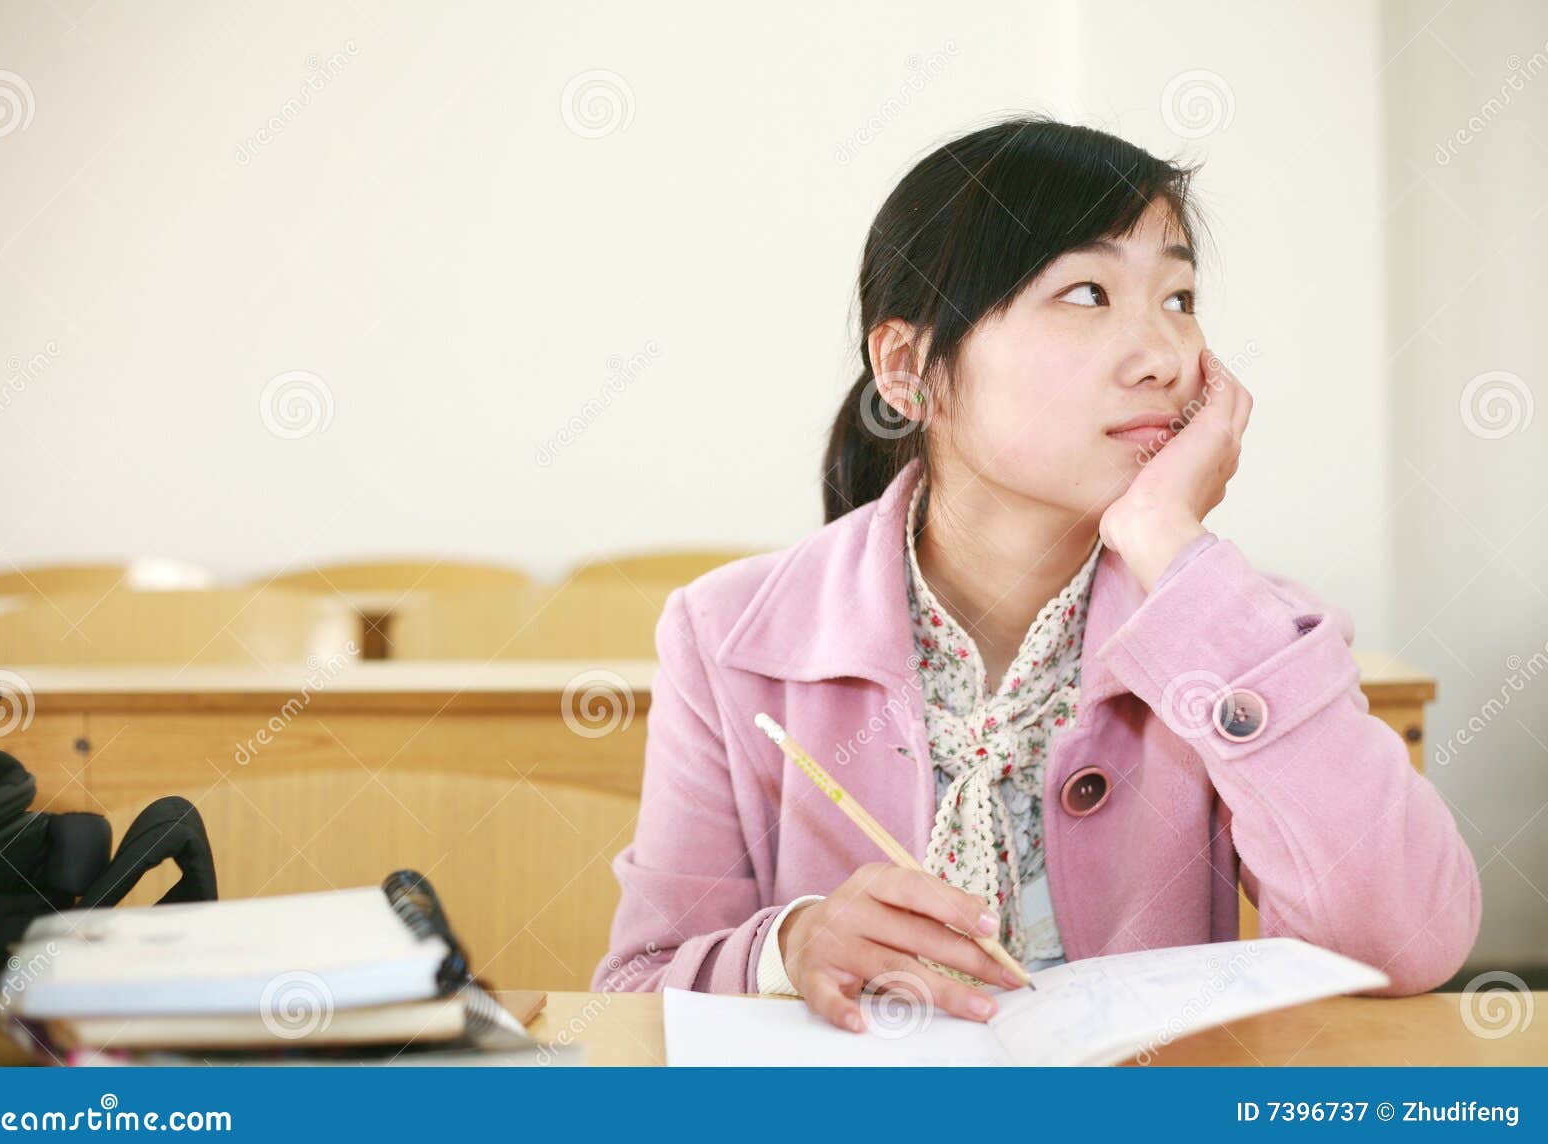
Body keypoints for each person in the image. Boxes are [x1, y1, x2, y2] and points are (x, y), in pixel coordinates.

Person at [593, 115, 1481, 1032]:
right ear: (907, 368)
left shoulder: (1240, 634)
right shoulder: (725, 634)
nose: (1167, 359)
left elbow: (1405, 945)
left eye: (1179, 298)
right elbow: (634, 989)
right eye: (1089, 292)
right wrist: (787, 948)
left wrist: (1172, 543)